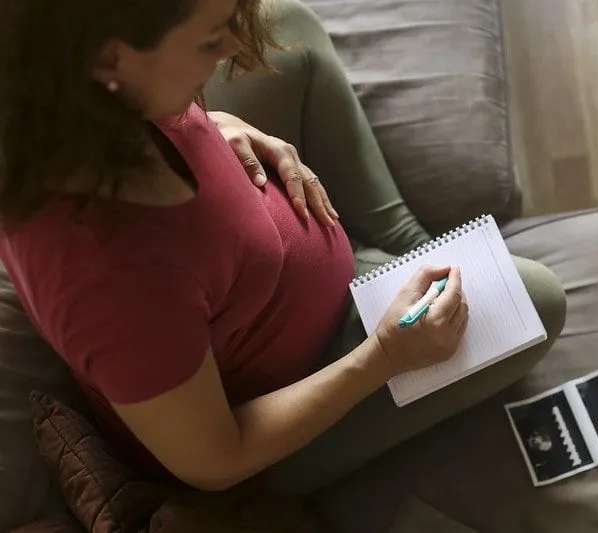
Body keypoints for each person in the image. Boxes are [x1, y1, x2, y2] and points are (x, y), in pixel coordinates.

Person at [0, 0, 566, 495]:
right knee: (538, 299)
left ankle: (408, 250)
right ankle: (404, 275)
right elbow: (216, 462)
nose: (234, 46)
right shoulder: (110, 278)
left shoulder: (76, 98)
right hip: (276, 409)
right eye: (208, 40)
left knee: (287, 23)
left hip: (258, 266)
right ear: (107, 62)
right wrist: (385, 358)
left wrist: (213, 123)